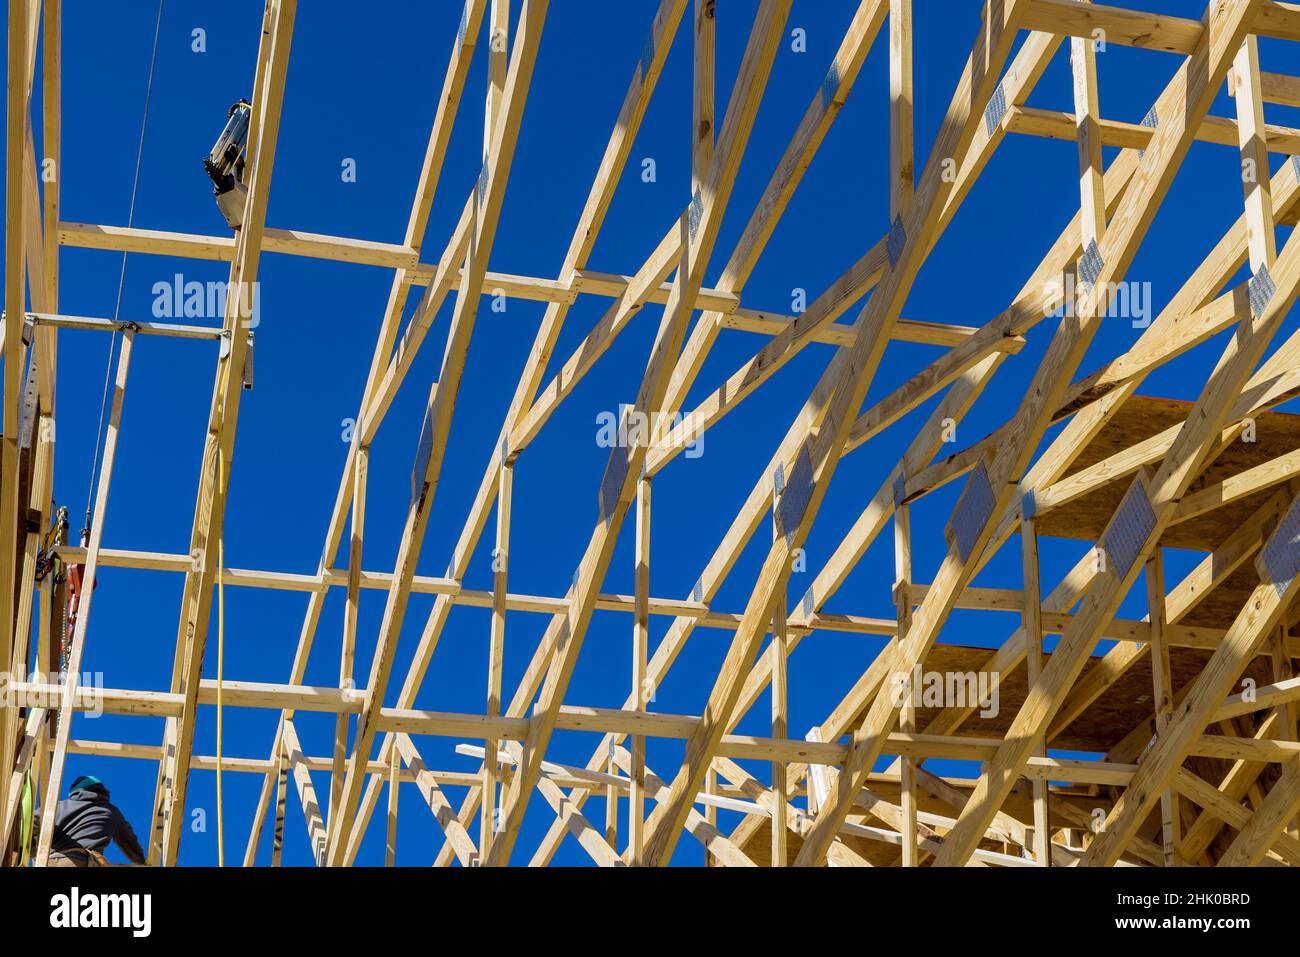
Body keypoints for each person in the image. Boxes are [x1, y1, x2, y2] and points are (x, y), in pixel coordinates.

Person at [47, 775, 146, 867]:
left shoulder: (57, 807)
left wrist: (35, 851)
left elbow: (33, 824)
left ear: (74, 792)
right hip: (83, 862)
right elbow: (129, 844)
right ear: (102, 792)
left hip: (51, 862)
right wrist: (142, 861)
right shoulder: (110, 811)